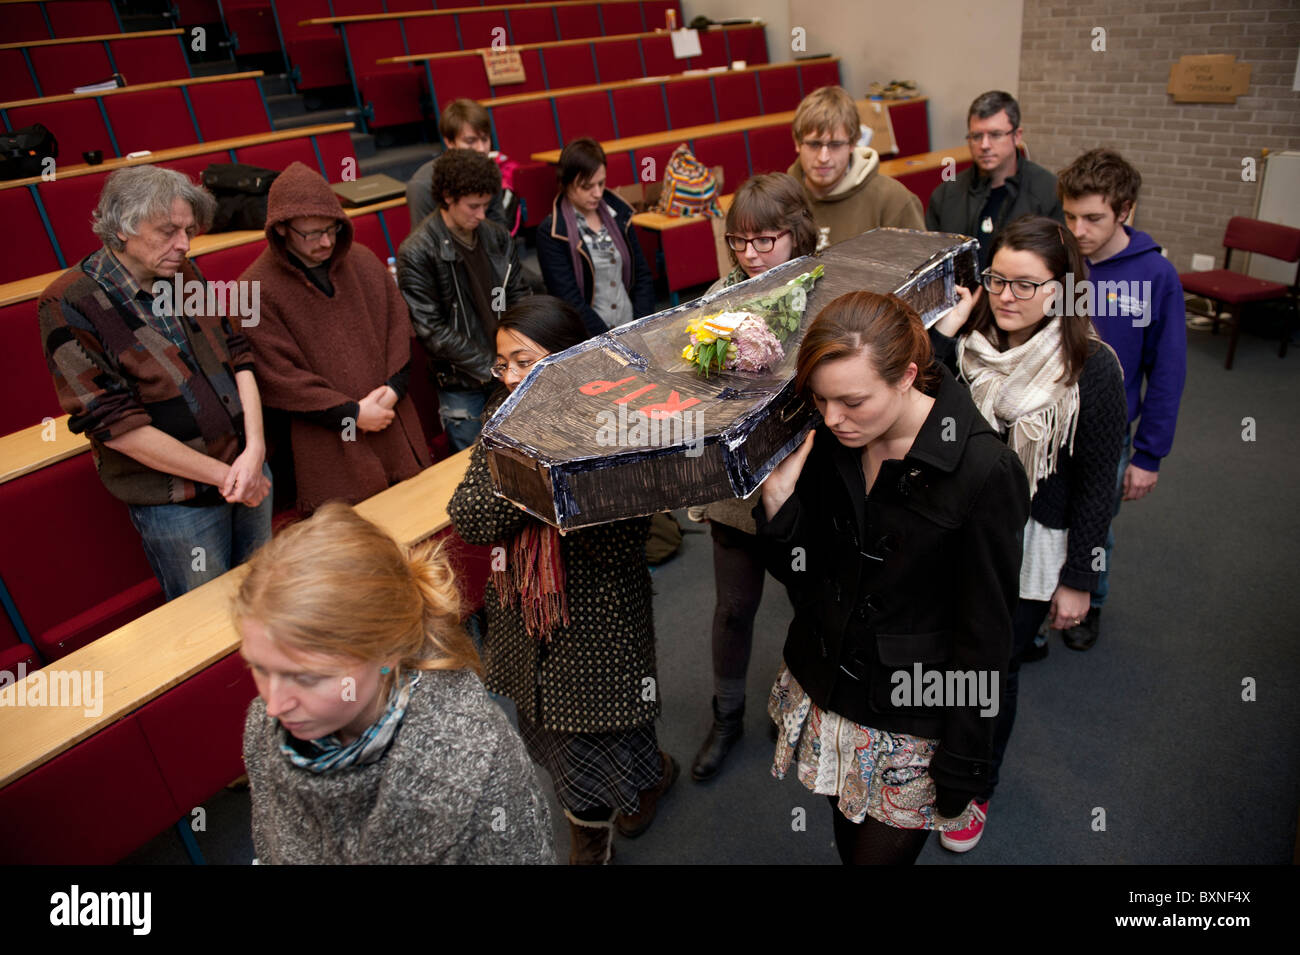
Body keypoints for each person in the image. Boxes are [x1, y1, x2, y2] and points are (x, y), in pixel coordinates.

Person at [757, 290, 1030, 865]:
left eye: (852, 401)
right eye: (821, 399)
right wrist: (780, 504)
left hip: (911, 716)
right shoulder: (832, 438)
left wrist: (963, 764)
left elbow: (986, 638)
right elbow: (804, 580)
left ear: (907, 376)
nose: (832, 418)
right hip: (830, 686)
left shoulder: (984, 471)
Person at [448, 296, 674, 865]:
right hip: (527, 614)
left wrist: (532, 471)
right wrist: (542, 468)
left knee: (606, 724)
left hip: (596, 614)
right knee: (556, 733)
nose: (511, 376)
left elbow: (625, 529)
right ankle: (613, 809)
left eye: (525, 360)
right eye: (503, 363)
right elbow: (471, 516)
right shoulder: (503, 421)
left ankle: (614, 813)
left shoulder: (619, 422)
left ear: (570, 358)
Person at [929, 215, 1127, 852]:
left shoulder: (1092, 368)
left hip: (1033, 547)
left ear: (1061, 290)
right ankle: (937, 754)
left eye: (1025, 284)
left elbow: (1098, 485)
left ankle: (975, 783)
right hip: (957, 534)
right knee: (943, 653)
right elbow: (923, 425)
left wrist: (1079, 580)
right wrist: (944, 337)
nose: (1007, 296)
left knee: (995, 669)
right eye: (997, 280)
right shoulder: (969, 344)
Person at [238, 501, 555, 864]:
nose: (275, 705)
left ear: (386, 654)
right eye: (260, 669)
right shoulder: (263, 727)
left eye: (307, 678)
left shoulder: (481, 765)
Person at [38, 165, 272, 600]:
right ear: (124, 227)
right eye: (168, 231)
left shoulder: (184, 272)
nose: (183, 244)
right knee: (207, 622)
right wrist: (230, 476)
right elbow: (117, 426)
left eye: (187, 231)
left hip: (248, 467)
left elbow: (239, 354)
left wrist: (255, 450)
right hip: (179, 501)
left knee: (269, 601)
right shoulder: (69, 301)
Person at [684, 172, 819, 782]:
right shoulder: (719, 296)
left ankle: (805, 704)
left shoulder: (824, 288)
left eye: (766, 240)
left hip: (805, 478)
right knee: (733, 610)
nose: (752, 255)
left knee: (814, 605)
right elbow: (696, 394)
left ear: (796, 234)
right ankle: (727, 717)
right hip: (737, 484)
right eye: (740, 242)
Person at [241, 162, 430, 514]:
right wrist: (353, 413)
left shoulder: (362, 260)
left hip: (391, 416)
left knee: (418, 520)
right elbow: (279, 376)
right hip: (328, 438)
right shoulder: (254, 288)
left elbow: (397, 326)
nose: (326, 241)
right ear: (281, 228)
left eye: (331, 228)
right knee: (355, 541)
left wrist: (393, 389)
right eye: (312, 233)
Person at [1056, 148, 1187, 650]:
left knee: (1095, 528)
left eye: (1093, 218)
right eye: (1069, 216)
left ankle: (1093, 602)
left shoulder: (1155, 276)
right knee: (1043, 521)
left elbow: (1168, 371)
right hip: (1049, 423)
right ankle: (1041, 601)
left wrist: (1149, 455)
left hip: (1109, 432)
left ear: (1125, 211)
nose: (1079, 229)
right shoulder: (1061, 261)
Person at [398, 148, 531, 452]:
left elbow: (519, 295)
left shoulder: (496, 236)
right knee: (476, 480)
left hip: (509, 370)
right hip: (463, 387)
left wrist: (518, 358)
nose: (482, 215)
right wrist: (495, 368)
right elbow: (432, 331)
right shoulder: (417, 251)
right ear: (447, 196)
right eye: (473, 206)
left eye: (486, 205)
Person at [926, 91, 1064, 268]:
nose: (984, 145)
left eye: (995, 135)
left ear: (1017, 135)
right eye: (976, 136)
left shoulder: (1048, 191)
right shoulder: (946, 195)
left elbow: (1059, 264)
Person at [535, 137, 656, 336]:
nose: (597, 193)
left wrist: (640, 324)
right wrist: (608, 339)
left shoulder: (620, 214)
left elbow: (641, 274)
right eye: (586, 187)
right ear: (565, 184)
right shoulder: (552, 232)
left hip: (631, 327)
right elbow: (569, 300)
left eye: (601, 183)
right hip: (588, 336)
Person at [786, 85, 924, 251]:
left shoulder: (894, 200)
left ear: (853, 143)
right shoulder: (780, 199)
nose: (823, 158)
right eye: (814, 144)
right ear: (797, 143)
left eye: (835, 145)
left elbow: (924, 271)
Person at [405, 98, 521, 236]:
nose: (481, 149)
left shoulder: (491, 171)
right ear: (449, 142)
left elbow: (498, 230)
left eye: (485, 139)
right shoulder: (422, 185)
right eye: (470, 141)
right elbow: (425, 244)